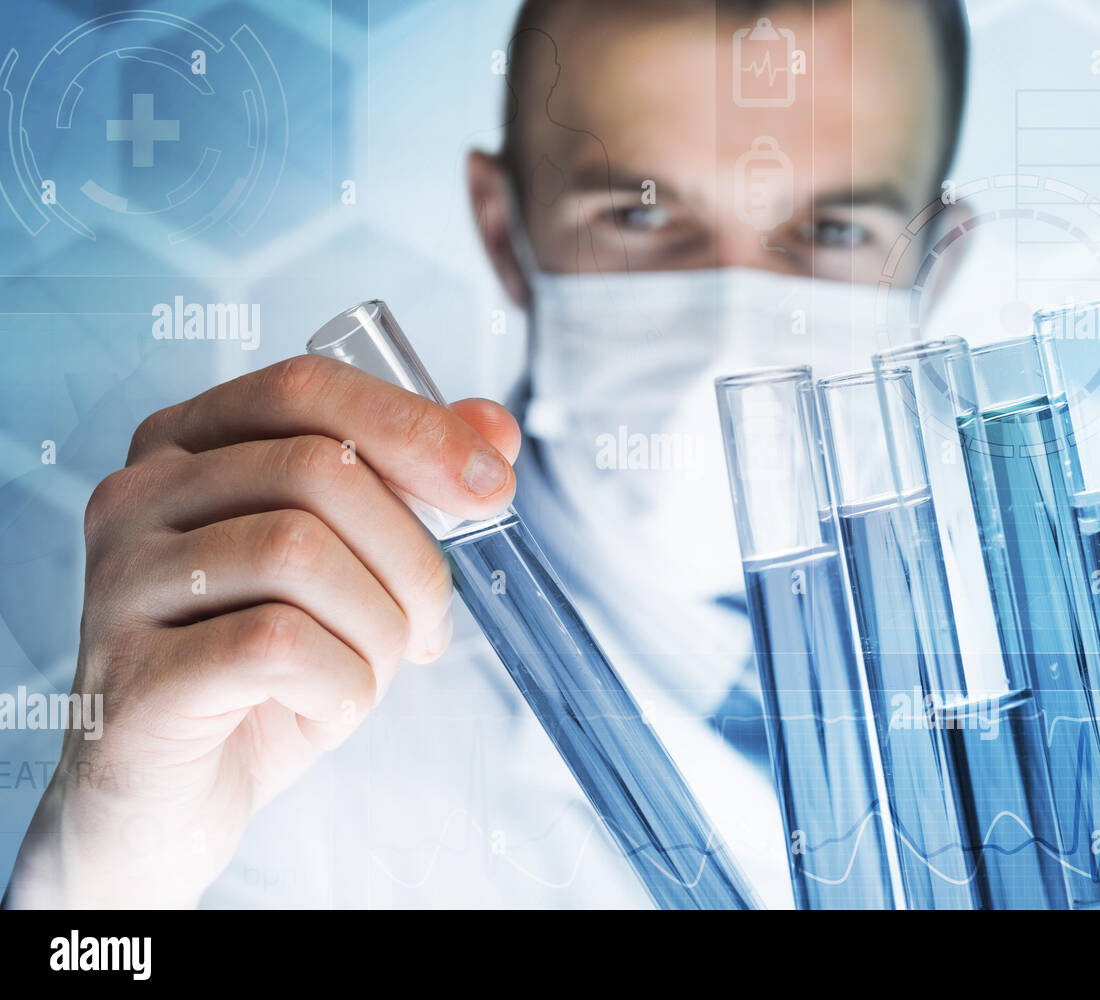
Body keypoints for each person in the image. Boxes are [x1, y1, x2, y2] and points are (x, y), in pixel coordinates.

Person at [5, 0, 968, 908]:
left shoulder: (1065, 638)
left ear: (939, 265)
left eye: (834, 229)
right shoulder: (288, 723)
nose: (725, 331)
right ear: (506, 233)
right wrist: (100, 876)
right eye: (637, 217)